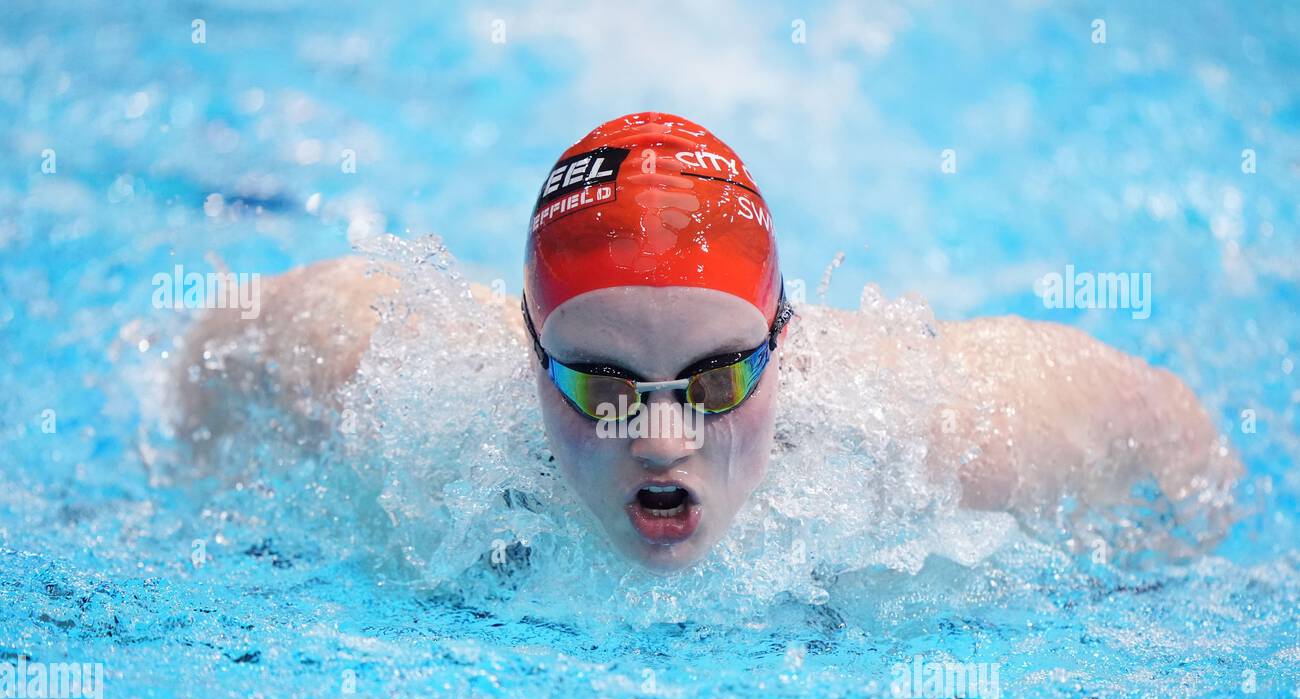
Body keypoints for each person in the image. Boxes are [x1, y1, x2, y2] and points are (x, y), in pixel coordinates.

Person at [175, 112, 1241, 573]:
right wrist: (199, 502)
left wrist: (1167, 584)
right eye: (600, 382)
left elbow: (1165, 424)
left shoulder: (940, 435)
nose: (660, 436)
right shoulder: (397, 394)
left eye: (718, 375)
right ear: (522, 349)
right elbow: (225, 345)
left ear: (787, 341)